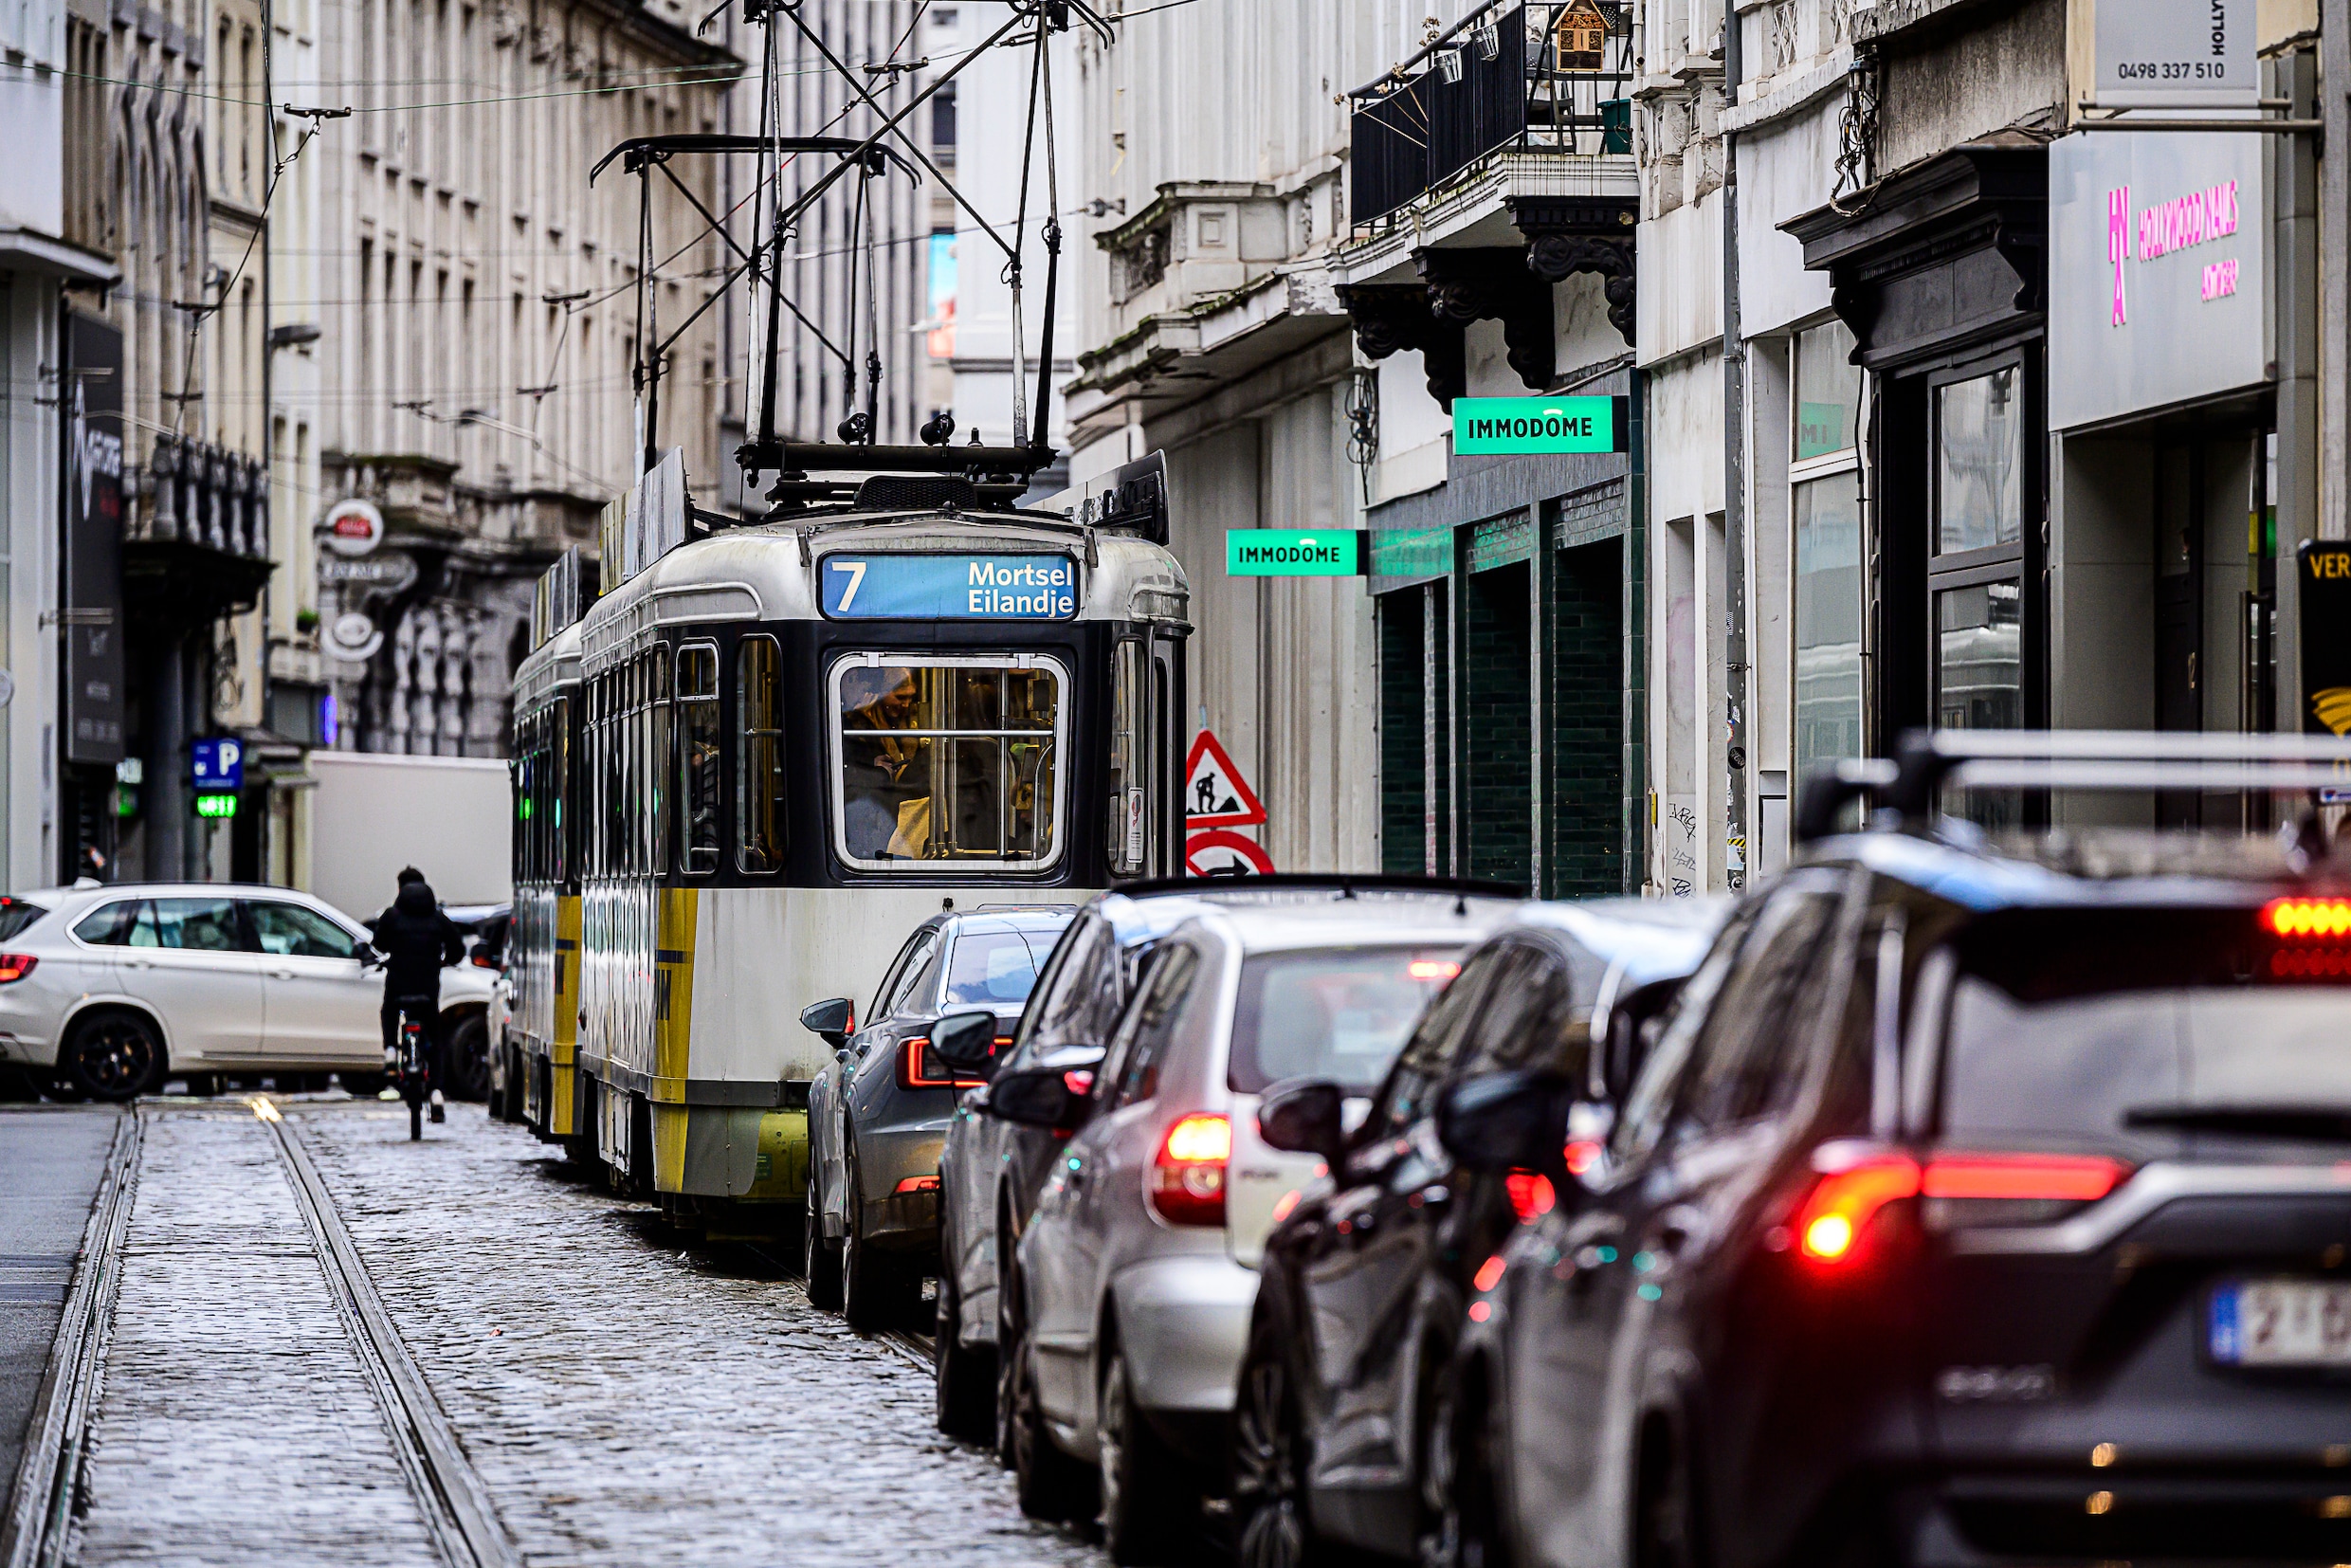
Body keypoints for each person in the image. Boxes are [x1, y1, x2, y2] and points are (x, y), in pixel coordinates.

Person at [364, 866, 466, 1121]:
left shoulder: (392, 916)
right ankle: (437, 1093)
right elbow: (458, 950)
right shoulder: (437, 918)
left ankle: (390, 1051)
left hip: (399, 988)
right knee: (435, 1039)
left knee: (389, 1010)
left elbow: (378, 945)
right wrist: (443, 960)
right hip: (427, 991)